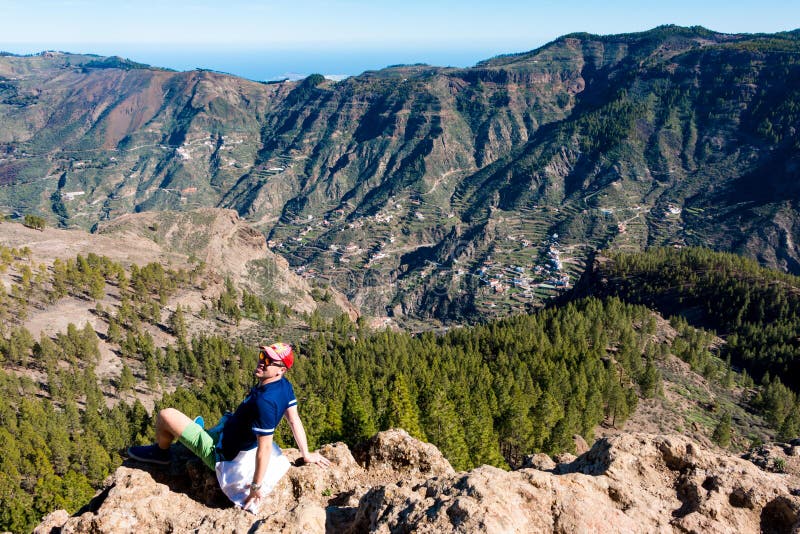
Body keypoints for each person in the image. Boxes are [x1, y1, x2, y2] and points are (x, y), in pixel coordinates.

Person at [128, 342, 330, 510]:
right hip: (230, 434)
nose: (262, 362)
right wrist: (306, 454)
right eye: (262, 355)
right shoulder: (283, 385)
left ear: (281, 370)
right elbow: (294, 419)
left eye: (269, 361)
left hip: (222, 454)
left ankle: (162, 453)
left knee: (166, 415)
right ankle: (195, 433)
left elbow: (265, 449)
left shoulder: (265, 401)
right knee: (222, 417)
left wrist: (255, 487)